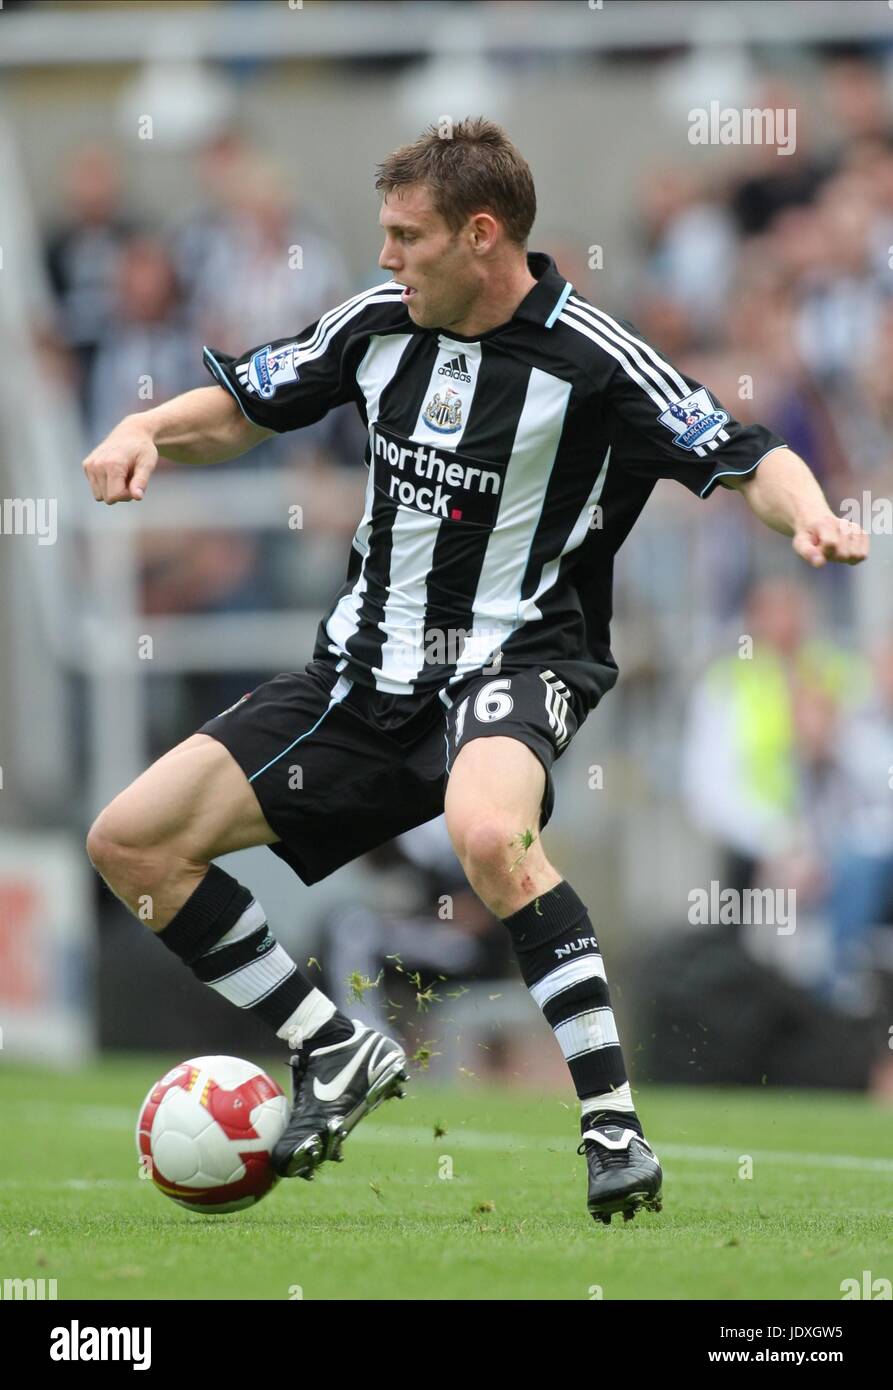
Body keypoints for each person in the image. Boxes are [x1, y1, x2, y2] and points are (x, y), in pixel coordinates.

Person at [81, 118, 868, 1226]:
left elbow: (744, 453)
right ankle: (331, 1049)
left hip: (515, 661)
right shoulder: (377, 323)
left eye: (407, 236)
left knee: (488, 831)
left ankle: (609, 1125)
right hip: (359, 678)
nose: (388, 256)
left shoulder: (596, 359)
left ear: (480, 236)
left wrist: (815, 517)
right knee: (129, 841)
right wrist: (148, 428)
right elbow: (250, 402)